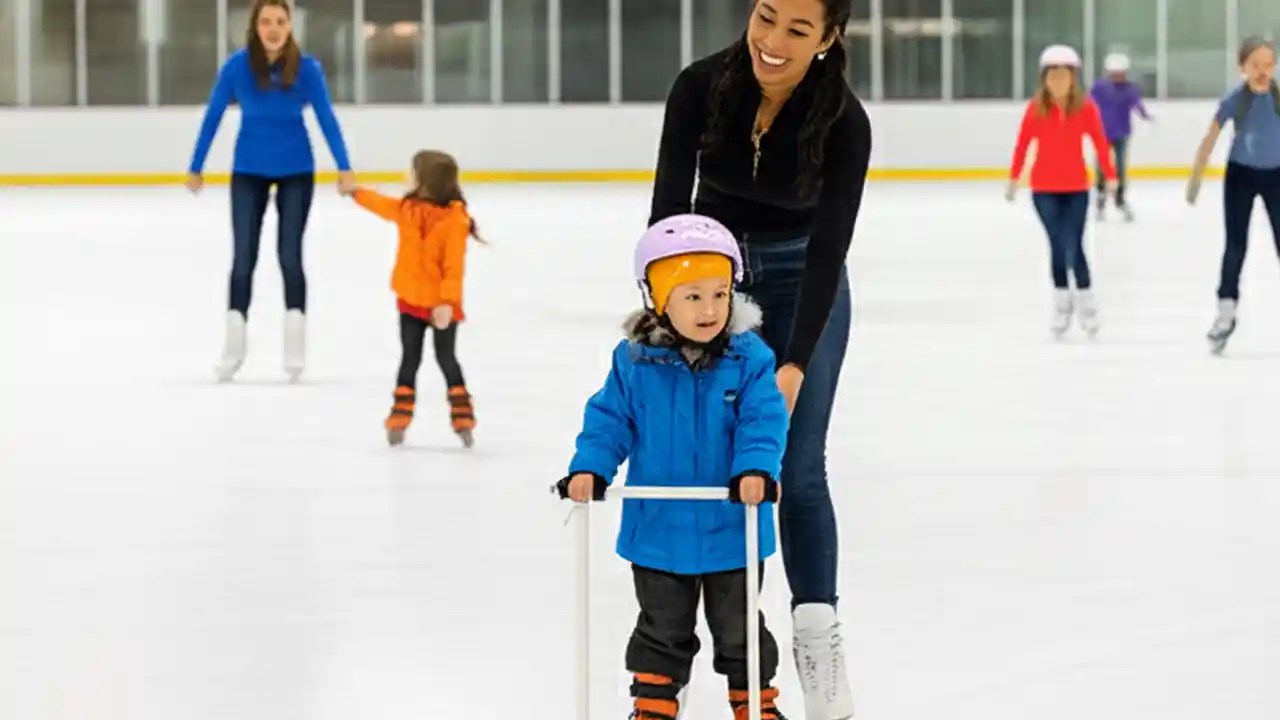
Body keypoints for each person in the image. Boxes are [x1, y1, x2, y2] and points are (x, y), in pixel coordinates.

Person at [647, 2, 870, 716]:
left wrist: (795, 362)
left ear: (829, 38)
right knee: (710, 463)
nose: (772, 42)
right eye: (766, 17)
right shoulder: (700, 87)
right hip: (712, 277)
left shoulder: (843, 121)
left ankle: (817, 635)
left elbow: (832, 247)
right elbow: (665, 212)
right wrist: (668, 307)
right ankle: (687, 649)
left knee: (798, 467)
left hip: (807, 279)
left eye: (798, 31)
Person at [557, 213, 790, 720]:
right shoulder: (636, 360)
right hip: (659, 526)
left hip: (734, 524)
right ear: (659, 299)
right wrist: (591, 468)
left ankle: (755, 701)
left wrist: (754, 468)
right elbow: (609, 420)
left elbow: (763, 419)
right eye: (692, 296)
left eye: (720, 294)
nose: (710, 309)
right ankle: (656, 704)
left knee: (739, 625)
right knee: (661, 625)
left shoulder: (749, 357)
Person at [187, 0, 356, 383]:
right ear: (254, 27)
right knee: (243, 255)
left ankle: (295, 344)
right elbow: (213, 115)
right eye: (266, 22)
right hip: (249, 170)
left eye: (280, 21)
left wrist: (344, 166)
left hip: (296, 169)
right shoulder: (236, 67)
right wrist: (196, 165)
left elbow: (327, 117)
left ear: (290, 26)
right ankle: (233, 348)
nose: (273, 28)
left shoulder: (308, 69)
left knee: (289, 255)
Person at [346, 151, 481, 447]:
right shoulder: (408, 209)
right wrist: (355, 192)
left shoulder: (453, 221)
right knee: (410, 358)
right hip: (410, 299)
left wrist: (446, 302)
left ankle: (462, 418)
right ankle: (399, 418)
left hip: (441, 305)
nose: (408, 177)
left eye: (413, 172)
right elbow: (382, 205)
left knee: (446, 359)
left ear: (427, 181)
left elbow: (453, 267)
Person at [1007, 44, 1117, 338]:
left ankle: (1085, 298)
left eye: (1063, 75)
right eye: (1052, 76)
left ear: (1073, 78)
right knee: (1057, 243)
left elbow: (1099, 141)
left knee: (1075, 242)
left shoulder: (1085, 108)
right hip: (1043, 189)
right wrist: (1014, 177)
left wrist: (1111, 175)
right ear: (1044, 79)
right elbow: (1022, 144)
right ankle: (1061, 300)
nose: (1057, 81)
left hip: (1076, 188)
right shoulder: (1036, 109)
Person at [1187, 37, 1280, 355]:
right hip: (1240, 176)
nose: (1262, 71)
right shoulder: (1235, 99)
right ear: (1242, 67)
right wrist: (1196, 174)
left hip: (1277, 177)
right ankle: (1225, 311)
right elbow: (1210, 136)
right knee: (1236, 245)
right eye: (1255, 64)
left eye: (1268, 64)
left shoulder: (1279, 97)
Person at [1089, 51, 1154, 221]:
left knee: (1119, 167)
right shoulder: (1099, 87)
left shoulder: (1130, 89)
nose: (1118, 77)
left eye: (1120, 73)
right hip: (1102, 133)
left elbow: (1137, 104)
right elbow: (1088, 105)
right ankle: (1101, 196)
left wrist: (1145, 115)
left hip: (1121, 133)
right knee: (1102, 167)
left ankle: (1120, 198)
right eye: (1114, 74)